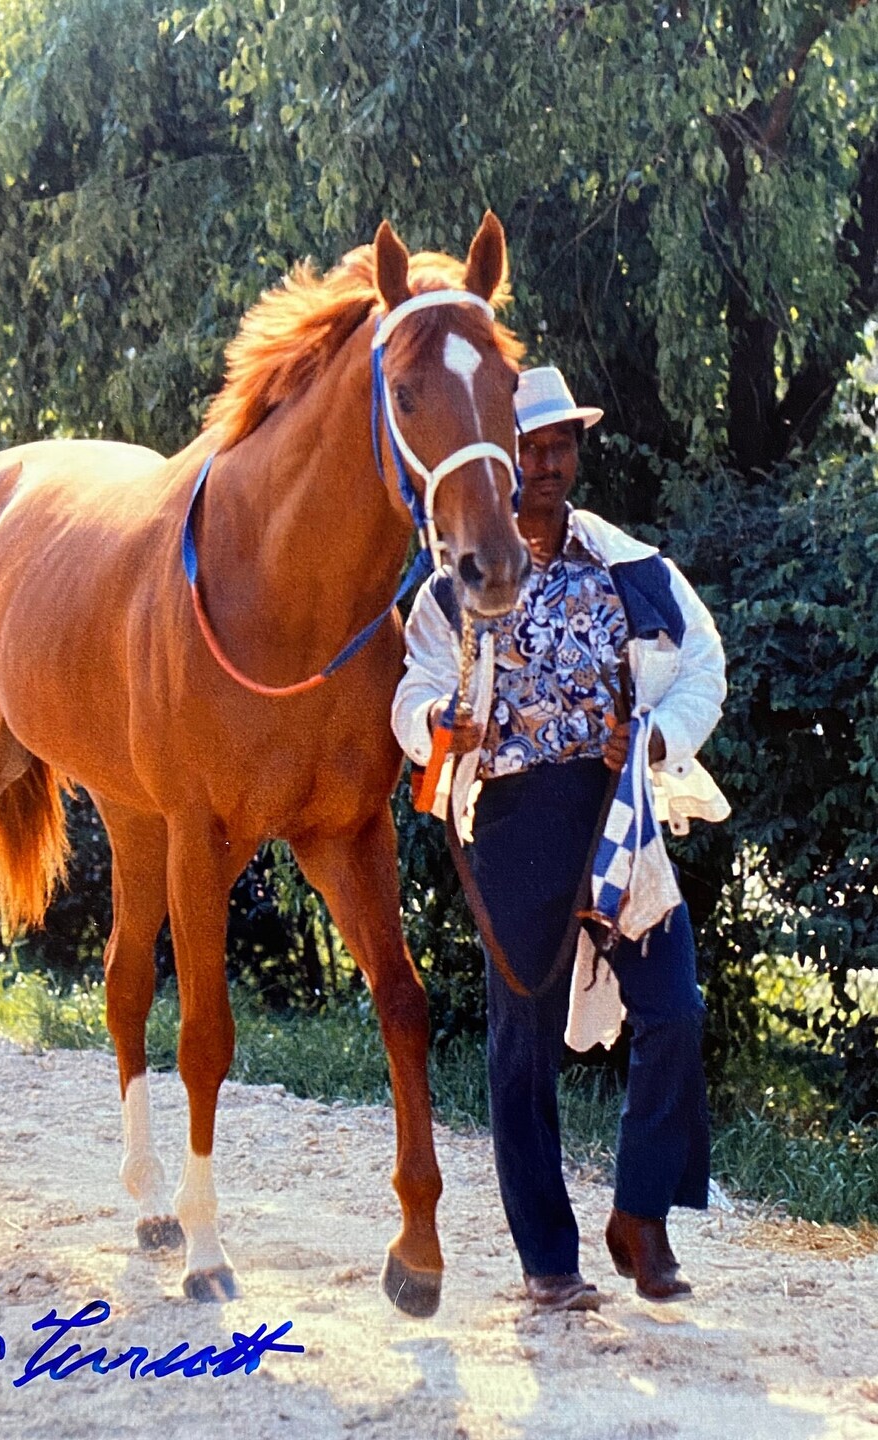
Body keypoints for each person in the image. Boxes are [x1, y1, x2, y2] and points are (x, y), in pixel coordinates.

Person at [391, 366, 729, 1312]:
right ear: (502, 455)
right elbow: (412, 693)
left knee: (674, 1008)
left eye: (560, 446)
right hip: (513, 814)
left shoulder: (631, 565)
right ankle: (549, 1259)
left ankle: (641, 1218)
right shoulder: (456, 582)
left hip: (619, 809)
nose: (547, 464)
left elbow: (703, 667)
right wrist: (441, 727)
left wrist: (657, 736)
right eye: (530, 447)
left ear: (577, 453)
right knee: (522, 1035)